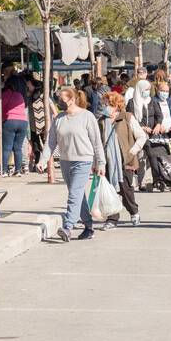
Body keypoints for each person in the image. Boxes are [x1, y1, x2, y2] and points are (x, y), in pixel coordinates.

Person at [35, 85, 104, 241]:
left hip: (83, 160)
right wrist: (43, 161)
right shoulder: (59, 119)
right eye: (59, 98)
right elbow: (51, 142)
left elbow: (97, 142)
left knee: (74, 193)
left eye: (62, 99)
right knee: (78, 194)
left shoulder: (87, 117)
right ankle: (88, 226)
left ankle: (68, 226)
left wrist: (101, 163)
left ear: (72, 100)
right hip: (66, 160)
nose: (59, 101)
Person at [104, 92, 146, 226]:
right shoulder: (102, 121)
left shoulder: (127, 117)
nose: (105, 106)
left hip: (125, 161)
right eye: (104, 104)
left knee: (125, 189)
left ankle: (134, 212)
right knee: (110, 191)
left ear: (116, 105)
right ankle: (112, 219)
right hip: (108, 163)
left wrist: (131, 152)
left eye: (107, 104)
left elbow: (141, 136)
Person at [0, 74, 29, 177]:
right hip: (23, 122)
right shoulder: (20, 95)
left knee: (6, 147)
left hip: (10, 122)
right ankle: (18, 171)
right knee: (18, 148)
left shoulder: (4, 94)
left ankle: (4, 171)